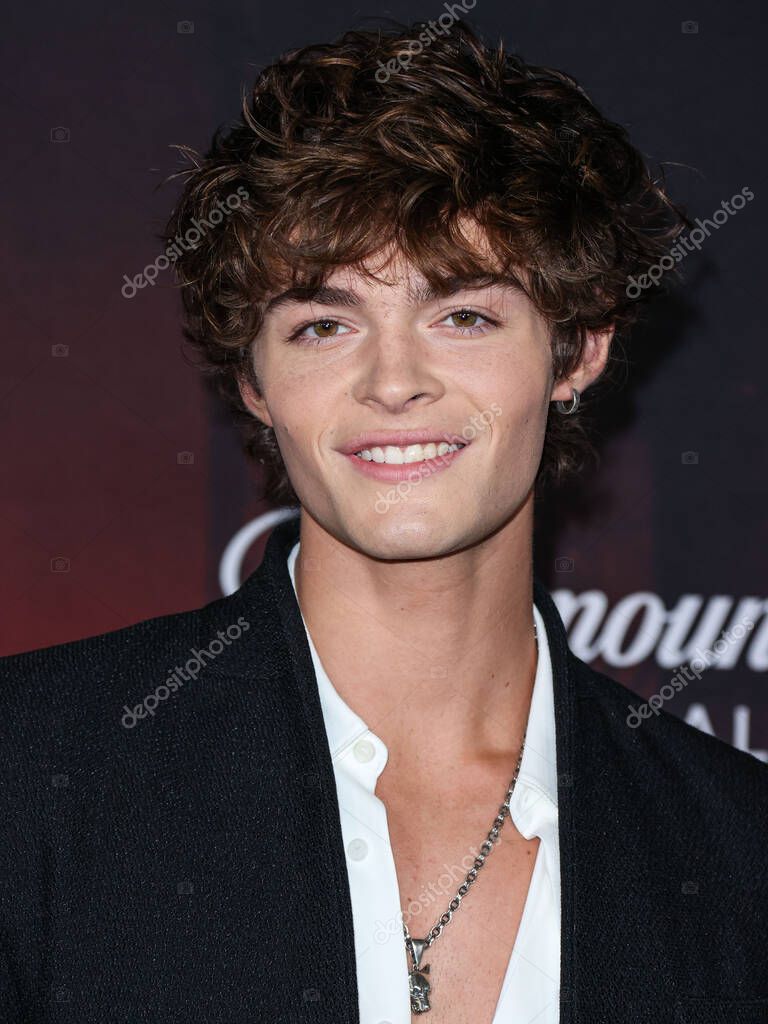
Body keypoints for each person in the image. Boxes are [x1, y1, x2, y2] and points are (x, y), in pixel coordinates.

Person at [1, 19, 766, 1024]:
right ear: (255, 381)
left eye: (464, 315)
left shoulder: (736, 848)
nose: (394, 381)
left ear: (575, 351)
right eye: (323, 323)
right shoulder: (35, 774)